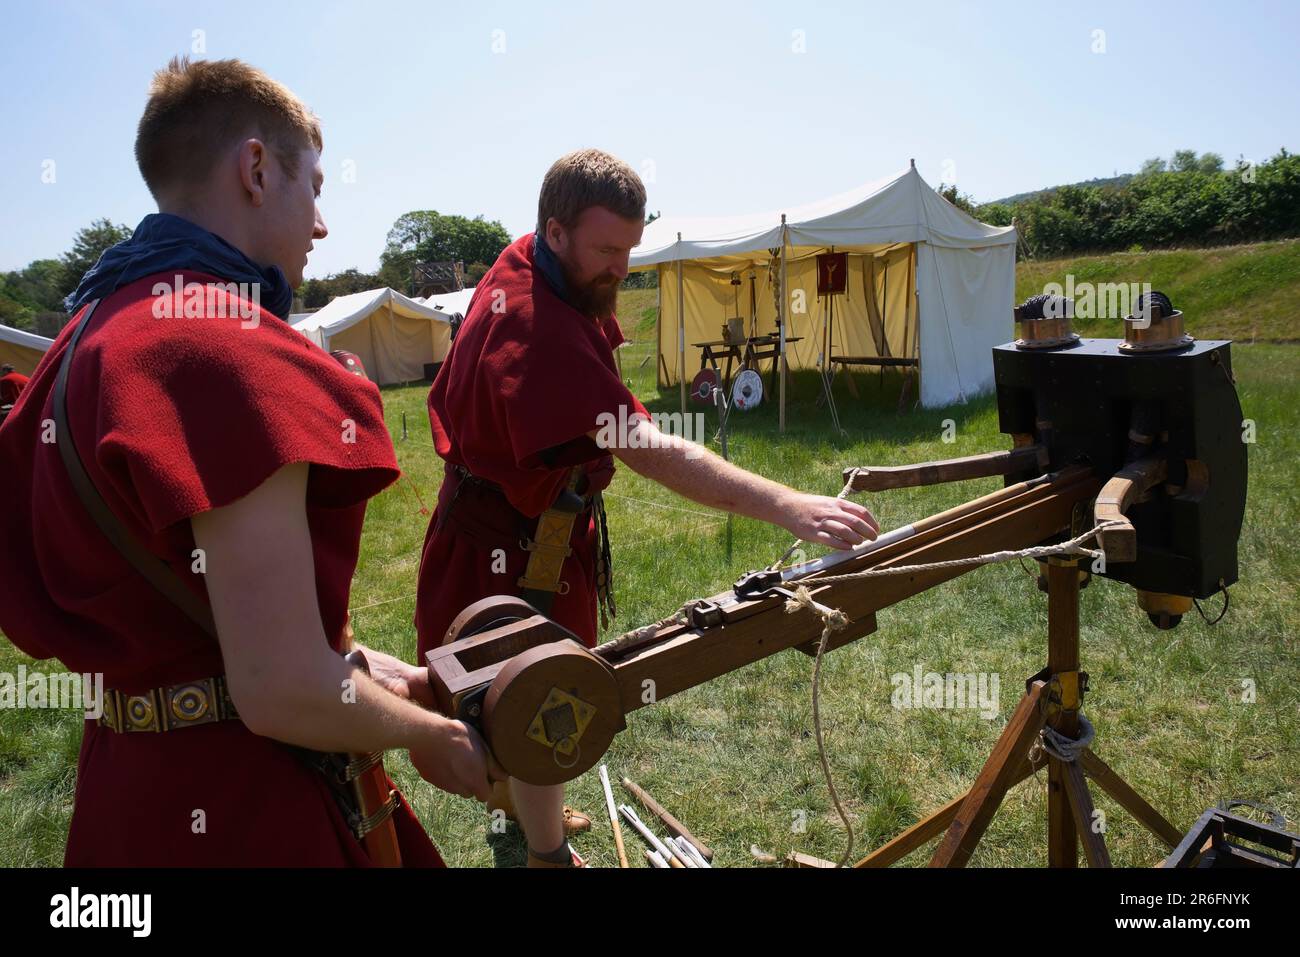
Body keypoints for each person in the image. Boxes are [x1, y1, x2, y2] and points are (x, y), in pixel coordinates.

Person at [0, 56, 498, 866]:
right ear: (257, 170)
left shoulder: (84, 341)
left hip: (125, 799)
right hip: (243, 809)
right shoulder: (215, 348)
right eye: (318, 187)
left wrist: (368, 671)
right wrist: (431, 734)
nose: (323, 226)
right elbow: (280, 687)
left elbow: (193, 630)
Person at [414, 148, 879, 867]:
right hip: (500, 547)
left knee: (532, 699)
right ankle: (547, 853)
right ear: (556, 229)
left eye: (629, 249)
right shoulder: (538, 328)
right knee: (535, 698)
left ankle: (527, 800)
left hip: (532, 526)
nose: (620, 268)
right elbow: (652, 449)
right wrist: (787, 503)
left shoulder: (532, 260)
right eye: (607, 250)